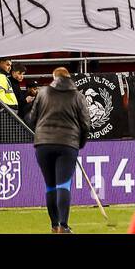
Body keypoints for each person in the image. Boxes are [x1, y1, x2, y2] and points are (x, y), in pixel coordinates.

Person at [27, 67, 91, 233]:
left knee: (50, 186)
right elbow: (86, 124)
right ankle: (64, 225)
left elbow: (32, 118)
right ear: (69, 77)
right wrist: (80, 143)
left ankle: (54, 225)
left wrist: (41, 132)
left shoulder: (43, 92)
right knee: (63, 184)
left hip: (43, 144)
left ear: (54, 77)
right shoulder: (77, 95)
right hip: (67, 143)